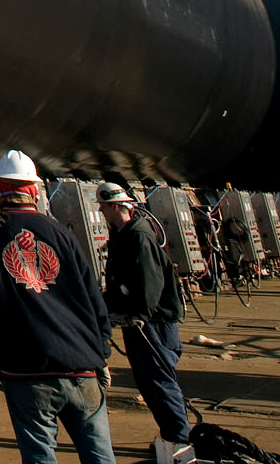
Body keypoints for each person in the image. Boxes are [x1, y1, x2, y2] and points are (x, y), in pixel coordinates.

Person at [0, 150, 114, 464]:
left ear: (1, 188)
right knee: (99, 456)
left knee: (39, 457)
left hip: (25, 370)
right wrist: (102, 352)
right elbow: (93, 296)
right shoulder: (61, 234)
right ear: (34, 189)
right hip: (80, 363)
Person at [98, 185, 191, 451]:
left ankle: (179, 440)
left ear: (116, 206)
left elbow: (151, 281)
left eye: (104, 206)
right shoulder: (123, 234)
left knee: (159, 381)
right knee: (150, 382)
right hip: (141, 320)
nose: (101, 212)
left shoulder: (138, 236)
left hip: (152, 323)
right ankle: (173, 434)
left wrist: (138, 315)